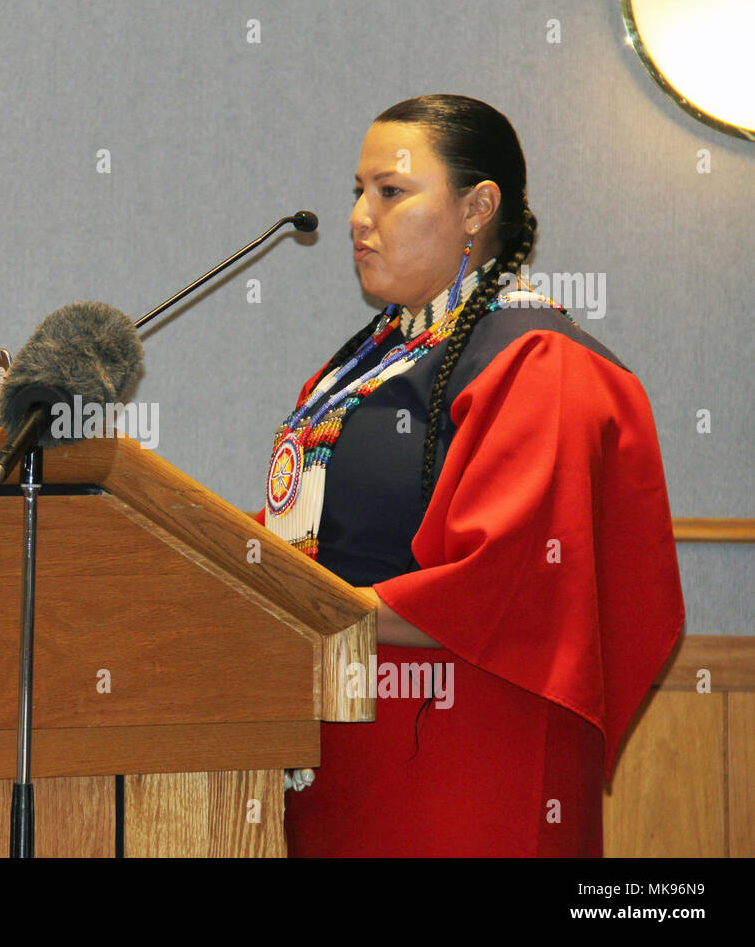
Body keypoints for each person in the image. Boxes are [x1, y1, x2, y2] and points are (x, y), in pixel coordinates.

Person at [253, 95, 685, 856]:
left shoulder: (537, 361)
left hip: (468, 761)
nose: (359, 216)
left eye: (390, 192)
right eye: (358, 190)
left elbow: (508, 580)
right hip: (342, 748)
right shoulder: (370, 359)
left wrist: (315, 608)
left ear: (478, 208)